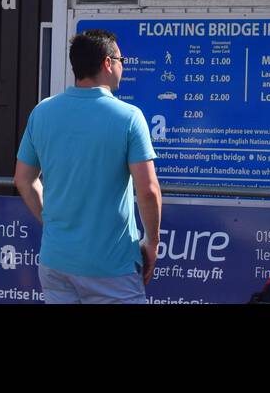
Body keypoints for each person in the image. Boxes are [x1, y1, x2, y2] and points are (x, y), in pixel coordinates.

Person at [13, 29, 162, 304]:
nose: (122, 66)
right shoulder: (129, 117)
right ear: (107, 63)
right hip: (112, 266)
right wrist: (152, 242)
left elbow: (23, 179)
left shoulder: (42, 112)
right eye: (121, 59)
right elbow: (149, 191)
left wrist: (50, 221)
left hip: (56, 261)